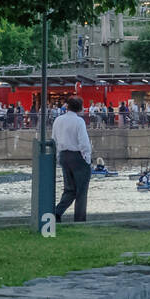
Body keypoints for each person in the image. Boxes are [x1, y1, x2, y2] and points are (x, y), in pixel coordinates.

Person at [52, 96, 93, 224]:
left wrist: (58, 155)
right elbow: (84, 143)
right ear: (80, 108)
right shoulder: (79, 121)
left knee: (69, 188)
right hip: (77, 156)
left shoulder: (58, 120)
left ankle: (57, 213)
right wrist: (87, 158)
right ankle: (80, 219)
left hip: (64, 155)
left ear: (67, 106)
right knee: (81, 190)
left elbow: (54, 139)